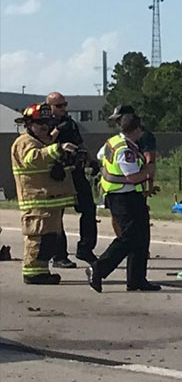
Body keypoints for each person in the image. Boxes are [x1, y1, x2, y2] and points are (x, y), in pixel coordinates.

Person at [86, 113, 159, 292]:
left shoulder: (113, 142)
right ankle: (98, 268)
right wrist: (149, 170)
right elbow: (133, 177)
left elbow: (101, 156)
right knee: (129, 237)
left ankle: (137, 279)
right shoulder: (126, 150)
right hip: (123, 197)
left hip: (127, 196)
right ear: (136, 130)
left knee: (141, 237)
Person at [9, 104, 78, 285]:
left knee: (48, 239)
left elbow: (51, 168)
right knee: (37, 237)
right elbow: (33, 159)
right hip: (36, 200)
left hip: (49, 200)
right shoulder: (24, 142)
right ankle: (32, 273)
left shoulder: (43, 143)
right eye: (40, 123)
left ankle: (42, 271)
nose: (45, 126)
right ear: (29, 124)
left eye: (48, 122)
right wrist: (58, 149)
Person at [46, 92, 99, 267]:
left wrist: (92, 160)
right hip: (57, 175)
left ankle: (85, 249)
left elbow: (79, 143)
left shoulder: (70, 123)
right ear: (50, 107)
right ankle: (59, 255)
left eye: (65, 105)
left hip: (76, 171)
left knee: (88, 209)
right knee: (57, 214)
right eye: (59, 106)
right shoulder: (44, 123)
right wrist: (58, 129)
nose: (64, 109)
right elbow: (45, 143)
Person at [105, 104, 158, 236]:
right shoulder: (118, 139)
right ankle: (125, 245)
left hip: (135, 186)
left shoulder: (143, 136)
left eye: (119, 119)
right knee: (118, 219)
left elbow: (149, 160)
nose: (117, 123)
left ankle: (132, 247)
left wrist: (149, 183)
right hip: (117, 187)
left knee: (135, 224)